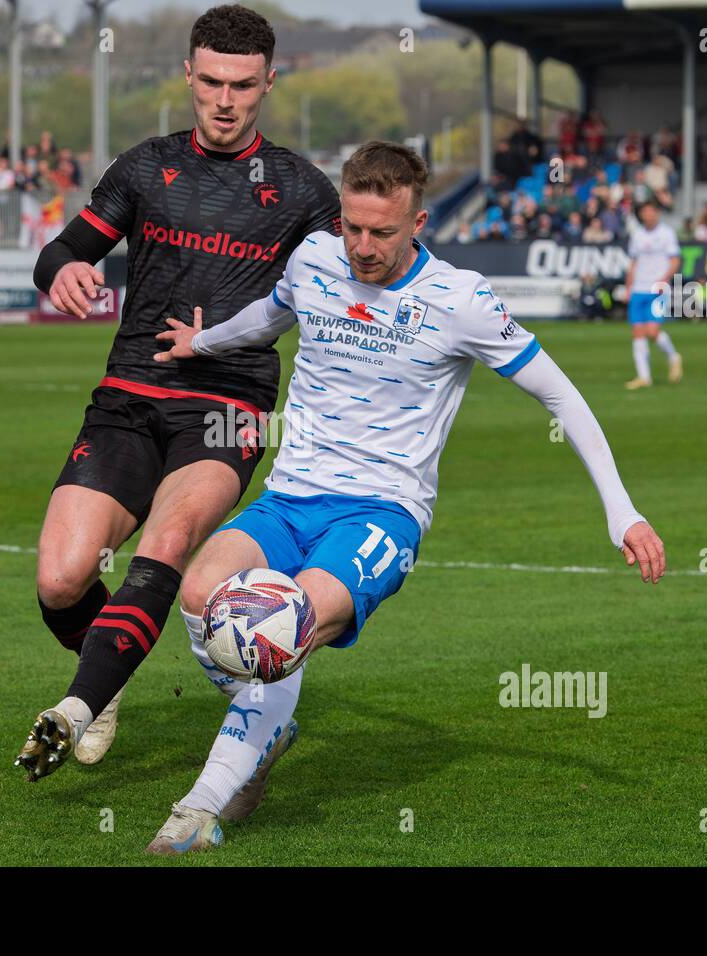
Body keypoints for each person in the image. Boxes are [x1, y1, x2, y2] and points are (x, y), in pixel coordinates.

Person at [143, 141, 666, 853]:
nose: (362, 246)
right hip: (291, 495)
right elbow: (269, 316)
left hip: (381, 511)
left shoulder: (460, 300)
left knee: (283, 629)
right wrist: (201, 344)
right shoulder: (314, 259)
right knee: (200, 593)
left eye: (382, 232)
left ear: (418, 221)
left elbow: (561, 394)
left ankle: (204, 802)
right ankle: (264, 728)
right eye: (352, 227)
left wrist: (621, 508)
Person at [15, 4, 341, 781]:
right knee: (61, 580)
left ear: (269, 82)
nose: (224, 101)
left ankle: (76, 704)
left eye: (242, 85)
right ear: (187, 76)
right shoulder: (143, 167)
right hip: (127, 396)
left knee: (164, 546)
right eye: (211, 83)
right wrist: (61, 268)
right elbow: (67, 246)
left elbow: (360, 283)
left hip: (228, 408)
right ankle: (109, 670)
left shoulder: (302, 190)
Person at [623, 201, 682, 388]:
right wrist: (628, 286)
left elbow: (674, 260)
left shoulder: (666, 233)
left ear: (656, 213)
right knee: (638, 332)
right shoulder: (637, 235)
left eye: (651, 211)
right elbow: (634, 263)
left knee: (652, 331)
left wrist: (664, 280)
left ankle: (673, 356)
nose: (648, 215)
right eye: (644, 212)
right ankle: (644, 377)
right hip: (638, 288)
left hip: (657, 289)